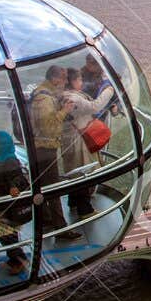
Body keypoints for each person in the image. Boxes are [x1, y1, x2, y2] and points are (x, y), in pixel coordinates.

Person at [57, 66, 116, 224]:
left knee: (74, 171)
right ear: (73, 81)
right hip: (79, 140)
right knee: (82, 171)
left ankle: (74, 202)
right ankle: (85, 209)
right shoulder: (73, 99)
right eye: (80, 79)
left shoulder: (64, 96)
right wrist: (109, 90)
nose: (82, 82)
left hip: (71, 138)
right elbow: (94, 107)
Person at [0, 131, 31, 276]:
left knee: (7, 234)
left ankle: (19, 259)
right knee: (4, 233)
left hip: (5, 204)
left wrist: (13, 187)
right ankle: (14, 258)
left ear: (4, 145)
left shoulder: (9, 160)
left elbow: (17, 177)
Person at [29, 66, 70, 231]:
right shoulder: (44, 99)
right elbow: (49, 128)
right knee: (53, 186)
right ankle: (60, 227)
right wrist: (64, 111)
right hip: (45, 148)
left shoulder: (43, 93)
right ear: (55, 79)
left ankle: (45, 218)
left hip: (38, 147)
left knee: (42, 185)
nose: (65, 82)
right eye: (63, 78)